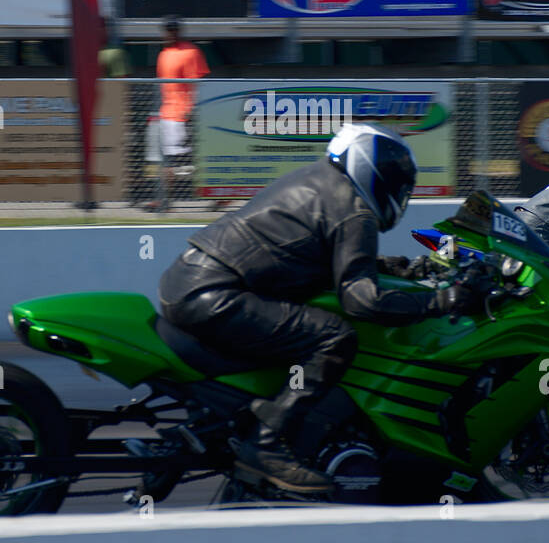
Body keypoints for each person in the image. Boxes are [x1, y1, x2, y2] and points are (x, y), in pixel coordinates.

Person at [157, 123, 488, 494]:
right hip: (215, 295)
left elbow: (317, 256)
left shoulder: (326, 185)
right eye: (396, 179)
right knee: (335, 337)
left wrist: (401, 268)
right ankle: (266, 442)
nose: (400, 191)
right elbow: (361, 300)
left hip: (196, 283)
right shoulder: (353, 209)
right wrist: (440, 301)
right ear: (371, 166)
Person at [148, 15, 209, 211]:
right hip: (167, 114)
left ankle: (222, 194)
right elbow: (162, 87)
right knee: (170, 159)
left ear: (179, 31)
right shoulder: (163, 54)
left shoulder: (191, 52)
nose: (170, 33)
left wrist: (193, 112)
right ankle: (164, 200)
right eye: (167, 29)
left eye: (173, 29)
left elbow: (198, 84)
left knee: (193, 158)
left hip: (184, 115)